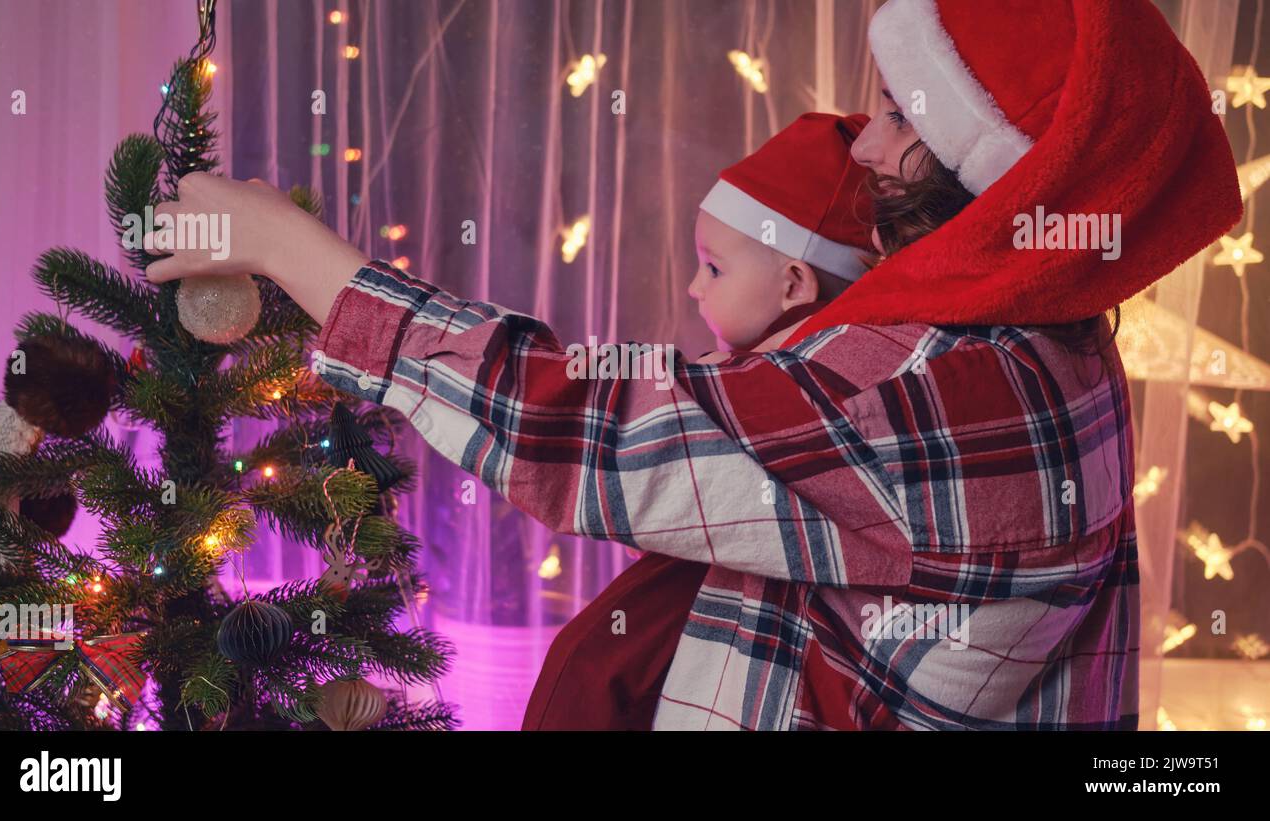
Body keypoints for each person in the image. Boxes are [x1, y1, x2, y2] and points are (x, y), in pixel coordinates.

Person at [147, 0, 1242, 729]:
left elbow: (599, 433)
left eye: (903, 116)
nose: (861, 147)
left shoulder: (951, 384)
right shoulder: (1054, 329)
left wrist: (300, 255)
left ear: (1001, 174)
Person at [522, 112, 878, 730]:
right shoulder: (754, 369)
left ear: (796, 283)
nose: (693, 286)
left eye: (713, 268)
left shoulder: (779, 396)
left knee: (592, 669)